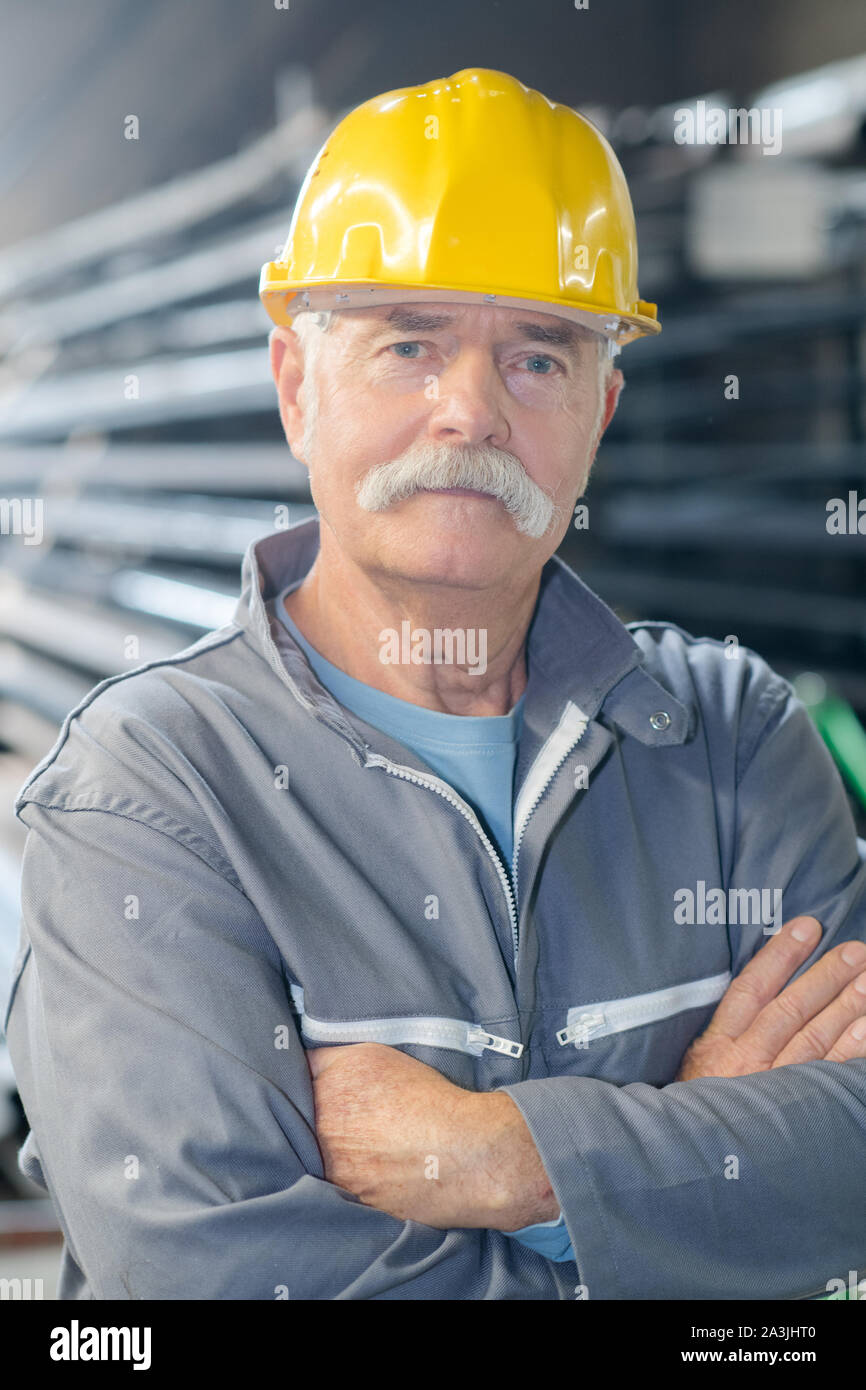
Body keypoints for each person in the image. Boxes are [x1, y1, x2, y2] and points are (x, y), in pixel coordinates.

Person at [4, 68, 865, 1300]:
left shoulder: (729, 741)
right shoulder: (147, 796)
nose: (467, 411)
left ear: (600, 412)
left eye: (537, 356)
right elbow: (212, 1278)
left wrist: (503, 1158)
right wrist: (672, 1191)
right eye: (408, 343)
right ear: (297, 388)